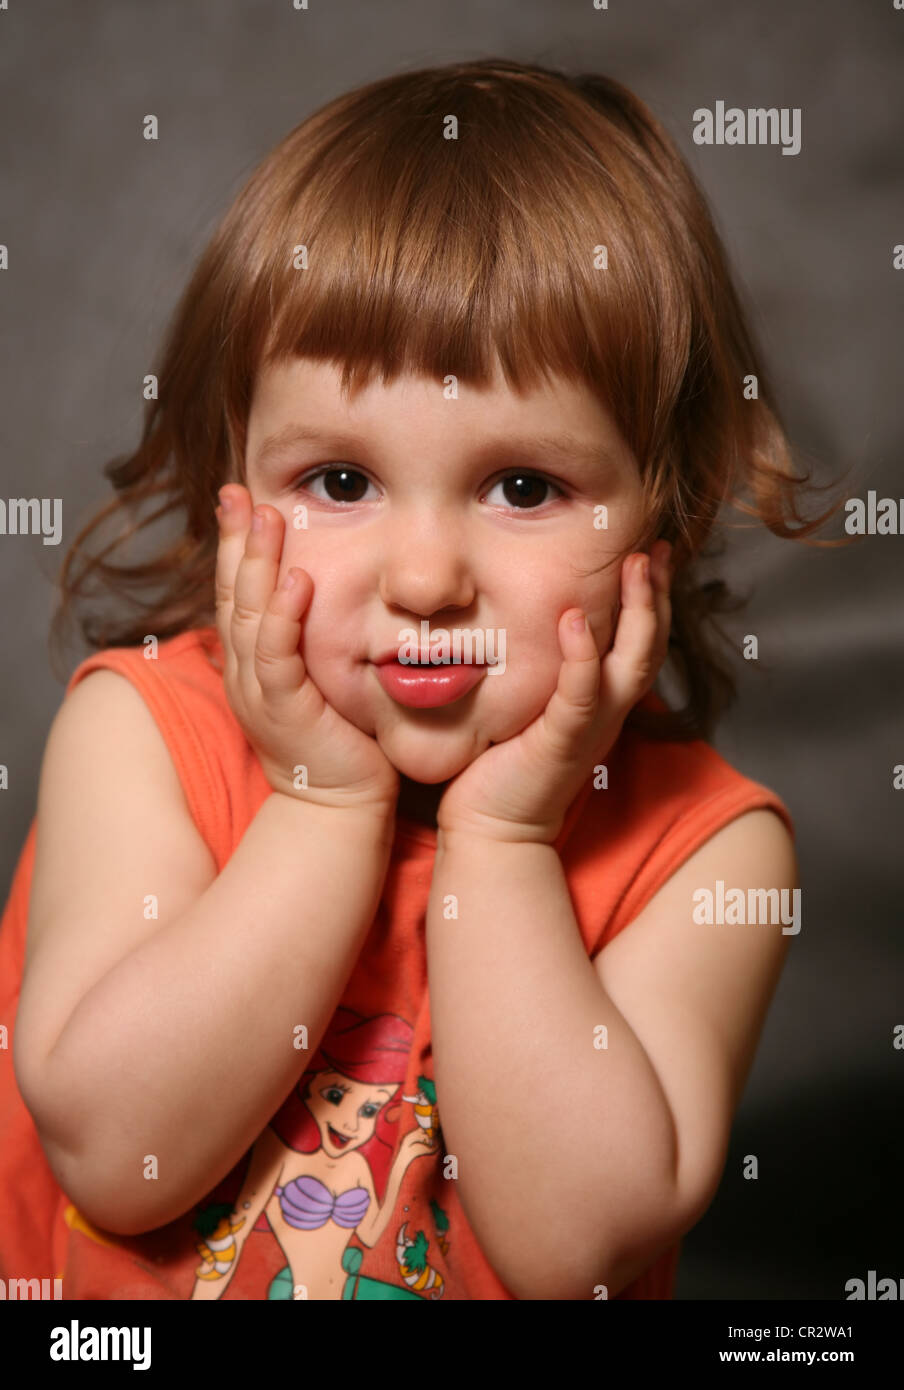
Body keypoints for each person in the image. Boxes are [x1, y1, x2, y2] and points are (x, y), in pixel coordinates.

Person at [0, 57, 844, 1301]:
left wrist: (503, 840)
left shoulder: (709, 855)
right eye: (339, 482)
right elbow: (121, 1155)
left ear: (667, 513)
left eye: (523, 486)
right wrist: (321, 804)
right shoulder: (141, 738)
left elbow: (574, 1252)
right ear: (232, 494)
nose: (428, 576)